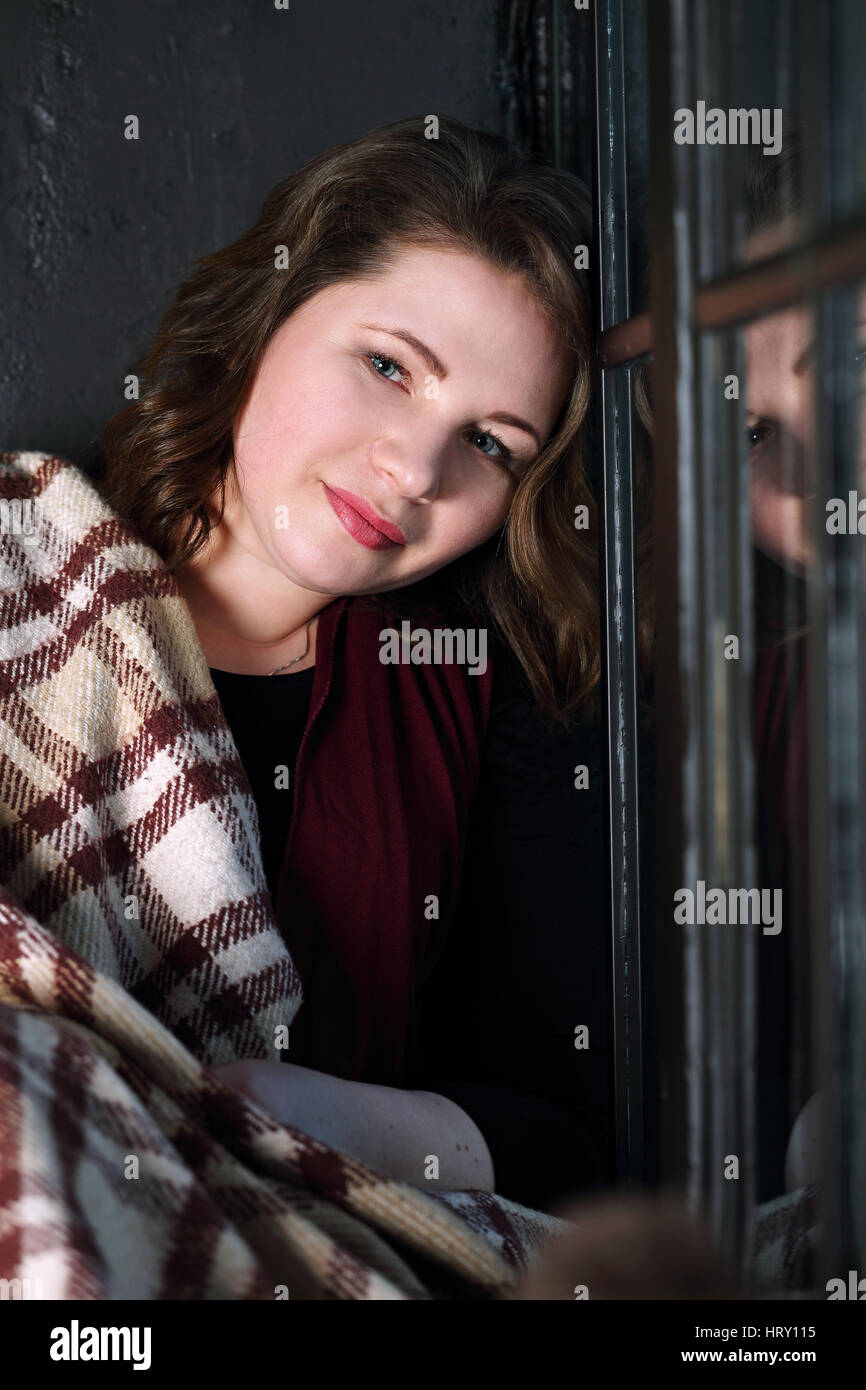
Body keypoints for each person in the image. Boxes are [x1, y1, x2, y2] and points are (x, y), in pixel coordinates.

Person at [96, 113, 612, 1208]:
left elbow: (570, 1126)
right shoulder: (33, 569)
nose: (415, 468)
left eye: (489, 443)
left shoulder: (490, 689)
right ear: (265, 319)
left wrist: (314, 1116)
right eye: (388, 366)